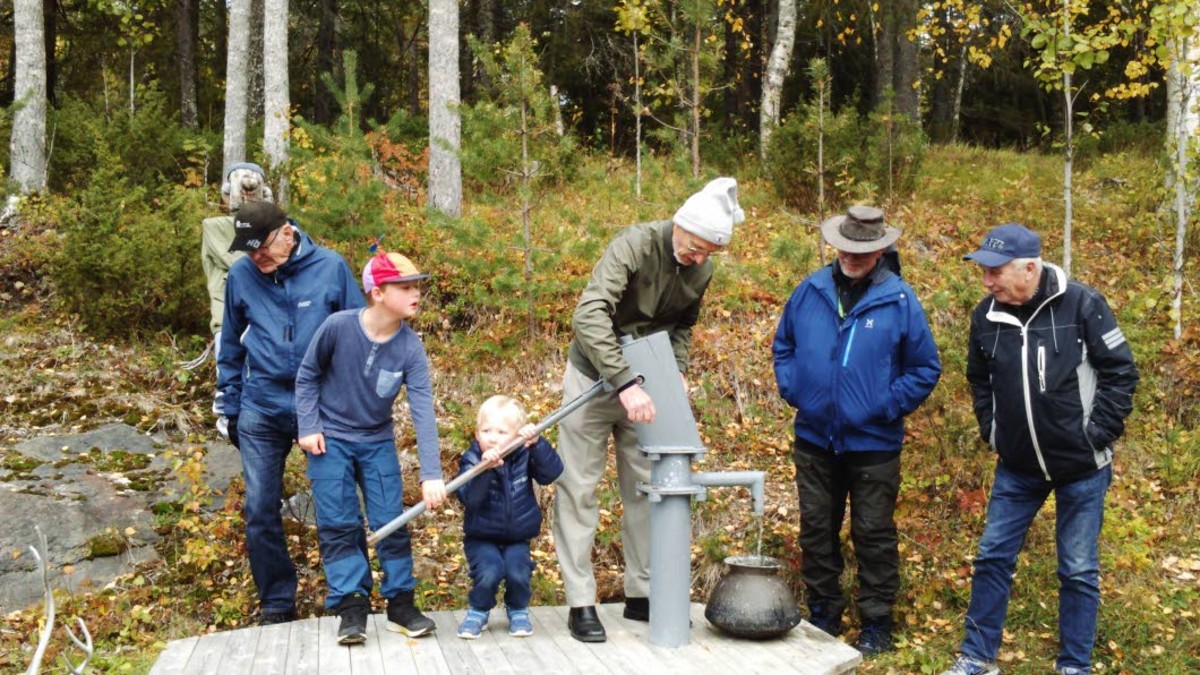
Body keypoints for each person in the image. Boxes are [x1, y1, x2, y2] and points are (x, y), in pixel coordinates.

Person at [553, 176, 744, 643]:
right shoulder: (634, 245)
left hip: (648, 382)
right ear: (679, 224)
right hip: (594, 377)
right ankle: (581, 602)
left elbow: (682, 323)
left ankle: (642, 593)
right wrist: (625, 382)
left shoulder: (701, 269)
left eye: (708, 253)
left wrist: (675, 369)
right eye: (695, 247)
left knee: (646, 487)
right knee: (577, 488)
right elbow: (589, 314)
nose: (698, 259)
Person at [941, 224, 1138, 675]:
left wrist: (1096, 434)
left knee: (1078, 568)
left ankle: (1073, 666)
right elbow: (978, 379)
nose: (987, 282)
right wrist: (993, 430)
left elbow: (1120, 373)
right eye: (983, 272)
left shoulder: (1083, 304)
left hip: (1082, 467)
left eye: (995, 271)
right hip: (1018, 467)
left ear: (1030, 268)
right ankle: (977, 657)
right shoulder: (985, 316)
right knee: (992, 556)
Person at [772, 205, 941, 656]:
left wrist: (884, 406)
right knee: (815, 529)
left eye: (861, 251)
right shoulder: (810, 290)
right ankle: (823, 615)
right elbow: (783, 345)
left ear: (881, 250)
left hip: (874, 443)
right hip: (814, 438)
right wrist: (794, 388)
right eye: (845, 248)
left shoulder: (900, 299)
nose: (850, 257)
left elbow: (925, 368)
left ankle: (876, 623)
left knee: (872, 532)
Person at [218, 200, 365, 625]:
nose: (255, 258)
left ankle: (350, 595)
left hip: (320, 408)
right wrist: (229, 406)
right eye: (247, 251)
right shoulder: (241, 275)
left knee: (337, 502)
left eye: (262, 248)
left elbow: (357, 336)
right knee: (260, 507)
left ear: (287, 233)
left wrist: (354, 400)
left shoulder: (331, 268)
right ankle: (278, 601)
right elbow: (229, 344)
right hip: (262, 407)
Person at [293, 251, 447, 645]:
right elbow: (307, 377)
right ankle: (352, 606)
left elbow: (423, 412)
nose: (416, 294)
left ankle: (401, 603)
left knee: (389, 520)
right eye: (406, 287)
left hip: (377, 442)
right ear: (378, 293)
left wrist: (432, 473)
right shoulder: (338, 327)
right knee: (339, 524)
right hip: (330, 442)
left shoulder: (410, 348)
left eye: (417, 287)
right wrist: (309, 425)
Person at [454, 395, 563, 640]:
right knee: (489, 572)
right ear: (476, 434)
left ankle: (517, 608)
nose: (493, 437)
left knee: (518, 572)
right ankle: (478, 610)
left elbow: (552, 473)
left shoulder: (525, 454)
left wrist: (536, 444)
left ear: (516, 437)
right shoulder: (472, 458)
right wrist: (484, 470)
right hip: (481, 536)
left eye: (502, 432)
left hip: (517, 535)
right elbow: (469, 499)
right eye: (486, 430)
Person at [201, 163, 272, 436]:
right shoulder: (214, 227)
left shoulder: (271, 227)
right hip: (227, 317)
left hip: (262, 315)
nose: (248, 189)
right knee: (229, 369)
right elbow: (244, 257)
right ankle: (229, 422)